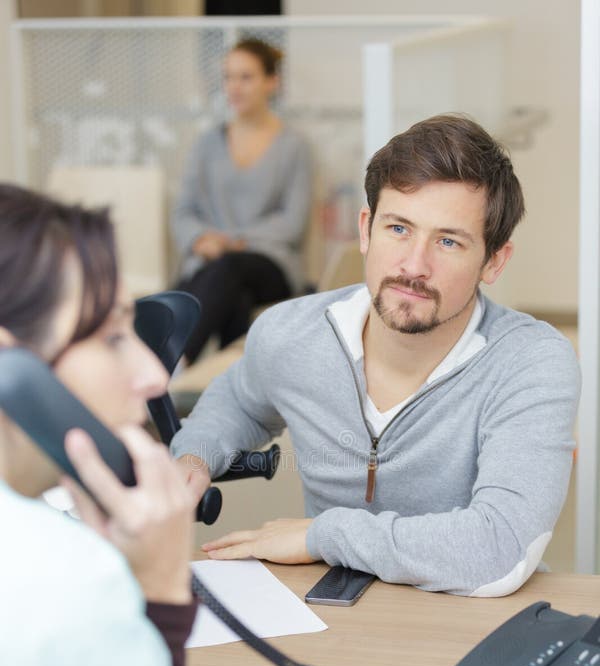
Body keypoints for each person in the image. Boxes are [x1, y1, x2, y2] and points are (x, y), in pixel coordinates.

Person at [173, 114, 580, 598]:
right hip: (335, 617)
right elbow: (238, 402)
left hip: (474, 625)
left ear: (493, 260)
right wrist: (194, 456)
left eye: (448, 241)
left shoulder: (530, 362)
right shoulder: (291, 334)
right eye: (399, 229)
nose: (414, 265)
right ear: (366, 230)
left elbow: (498, 547)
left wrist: (320, 536)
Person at [0, 184, 197, 666]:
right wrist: (161, 589)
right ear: (12, 372)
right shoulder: (54, 577)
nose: (151, 375)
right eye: (113, 335)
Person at [171, 37, 312, 363]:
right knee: (233, 293)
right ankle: (222, 392)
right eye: (228, 77)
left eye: (246, 77)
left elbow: (292, 222)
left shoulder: (294, 146)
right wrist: (200, 240)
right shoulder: (206, 143)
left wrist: (231, 242)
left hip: (269, 263)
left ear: (271, 82)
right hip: (214, 266)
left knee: (228, 268)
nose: (234, 86)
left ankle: (173, 360)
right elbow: (183, 211)